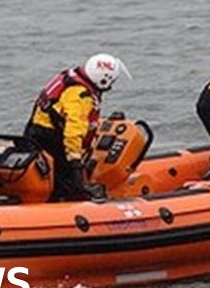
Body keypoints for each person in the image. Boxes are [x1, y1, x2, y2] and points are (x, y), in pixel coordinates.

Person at [24, 53, 130, 201]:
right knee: (67, 188)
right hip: (52, 141)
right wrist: (75, 163)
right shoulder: (82, 96)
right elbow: (73, 130)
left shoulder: (70, 79)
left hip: (36, 133)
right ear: (104, 79)